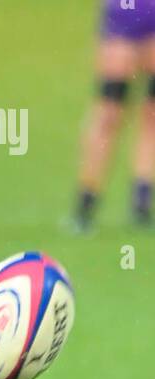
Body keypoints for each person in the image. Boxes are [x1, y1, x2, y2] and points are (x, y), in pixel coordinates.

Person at [71, 0, 155, 231]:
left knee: (152, 111)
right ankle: (86, 201)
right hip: (124, 15)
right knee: (109, 111)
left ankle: (142, 199)